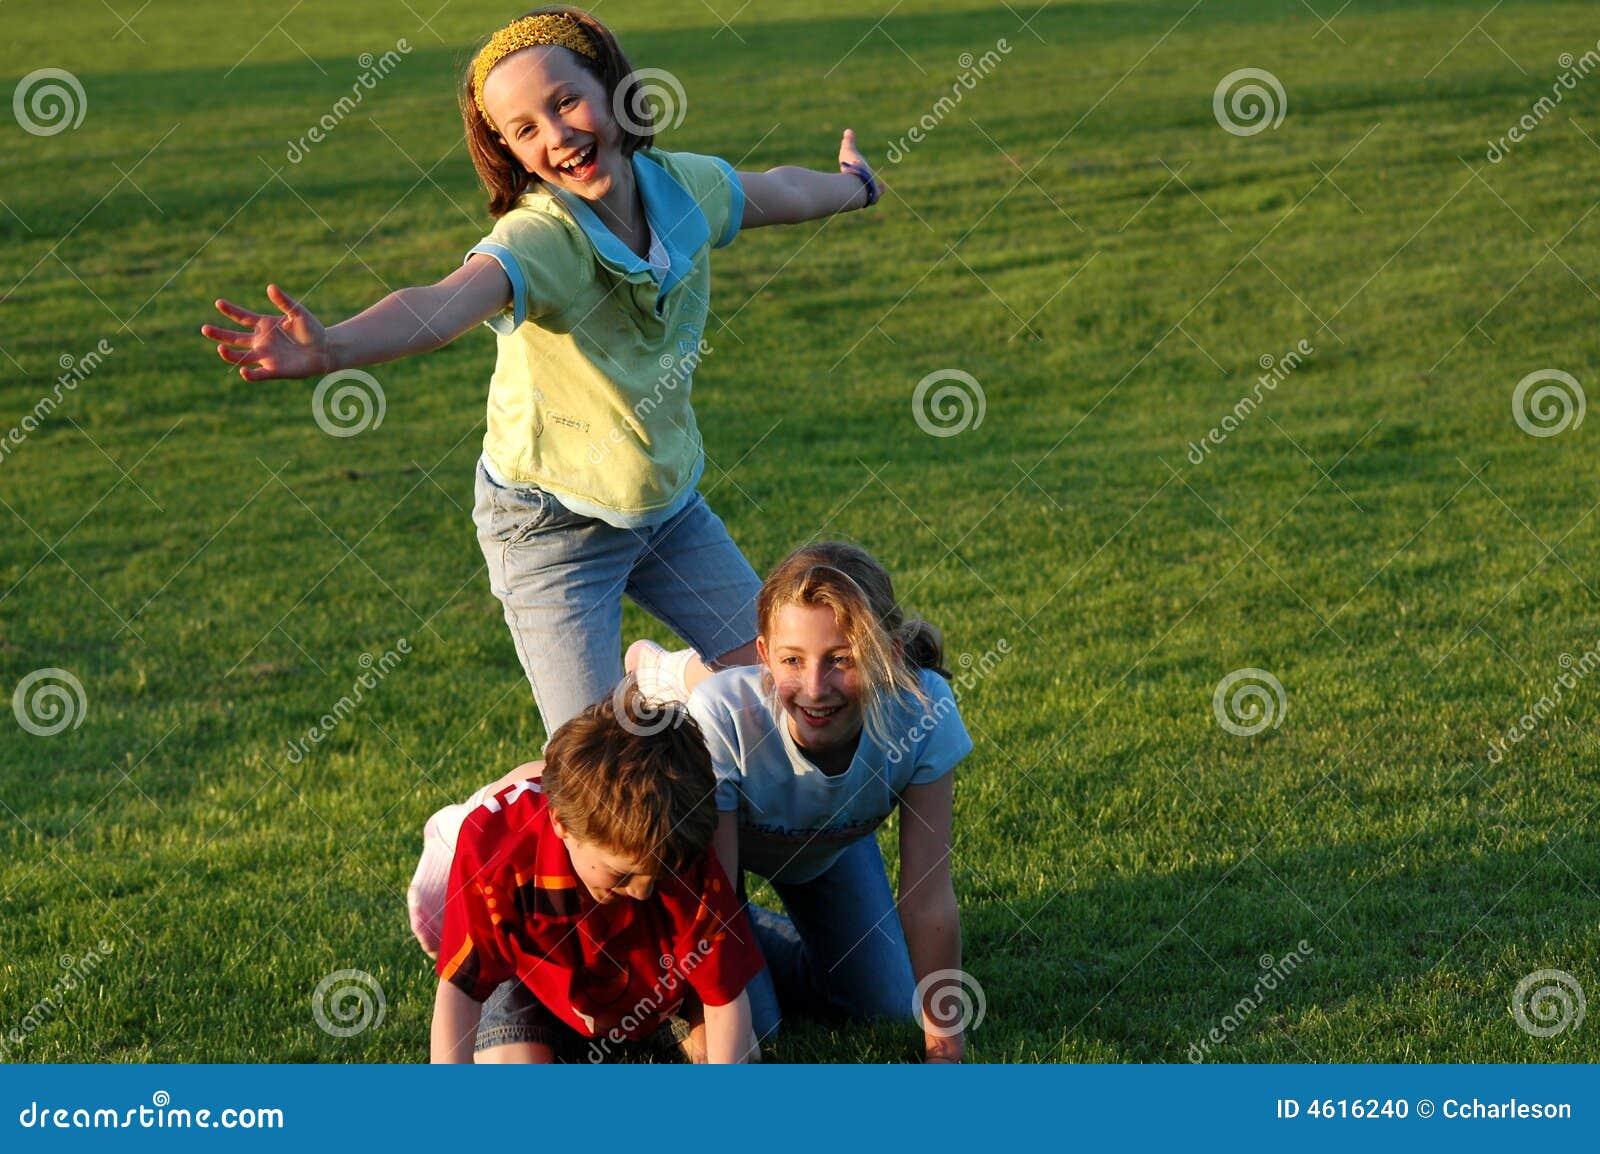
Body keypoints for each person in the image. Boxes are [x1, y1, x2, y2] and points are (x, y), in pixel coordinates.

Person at [199, 6, 883, 741]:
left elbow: (777, 192)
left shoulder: (685, 189)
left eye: (565, 101)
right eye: (525, 129)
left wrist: (855, 187)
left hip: (664, 503)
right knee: (597, 762)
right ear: (509, 151)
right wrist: (333, 347)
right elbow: (443, 304)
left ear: (615, 87)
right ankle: (469, 833)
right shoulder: (540, 237)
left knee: (774, 696)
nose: (556, 135)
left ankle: (681, 701)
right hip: (549, 524)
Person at [414, 542, 974, 1062]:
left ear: (890, 655)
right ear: (764, 656)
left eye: (843, 660)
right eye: (793, 661)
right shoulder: (727, 715)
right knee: (760, 1025)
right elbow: (718, 902)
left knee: (884, 1001)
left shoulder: (923, 713)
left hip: (820, 843)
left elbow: (928, 897)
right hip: (718, 834)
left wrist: (943, 1041)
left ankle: (664, 671)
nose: (815, 687)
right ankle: (659, 677)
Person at [428, 687, 764, 1063]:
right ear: (561, 823)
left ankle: (760, 938)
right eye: (623, 875)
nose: (641, 892)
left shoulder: (678, 844)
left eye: (658, 877)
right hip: (531, 978)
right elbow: (461, 987)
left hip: (655, 979)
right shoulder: (498, 850)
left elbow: (725, 1001)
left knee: (746, 1047)